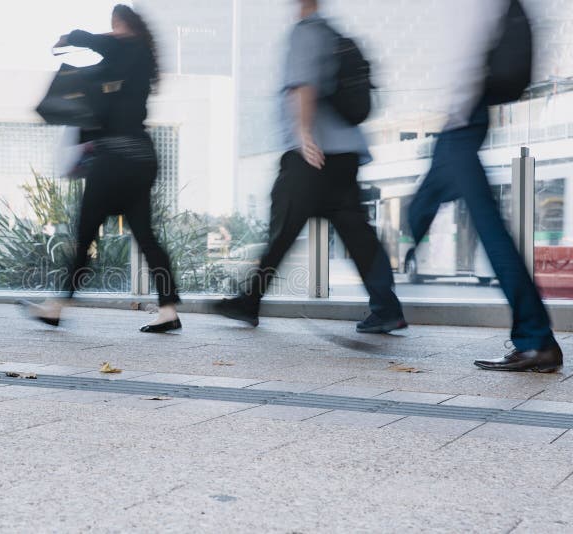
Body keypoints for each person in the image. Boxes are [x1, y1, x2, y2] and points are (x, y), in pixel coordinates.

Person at [214, 0, 406, 334]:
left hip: (312, 154)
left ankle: (249, 301)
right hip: (345, 154)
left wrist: (303, 135)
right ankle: (387, 307)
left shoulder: (305, 33)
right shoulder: (332, 33)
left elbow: (303, 85)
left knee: (281, 229)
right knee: (357, 234)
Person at [409, 0, 563, 372]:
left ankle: (537, 339)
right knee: (420, 210)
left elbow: (468, 47)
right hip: (463, 117)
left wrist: (456, 110)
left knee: (488, 228)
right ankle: (381, 294)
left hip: (463, 117)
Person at [23, 4, 182, 333]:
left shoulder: (128, 49)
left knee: (84, 237)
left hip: (115, 161)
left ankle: (56, 306)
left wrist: (70, 37)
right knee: (146, 237)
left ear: (122, 24)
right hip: (140, 159)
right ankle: (168, 310)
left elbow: (100, 42)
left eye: (115, 25)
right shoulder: (136, 61)